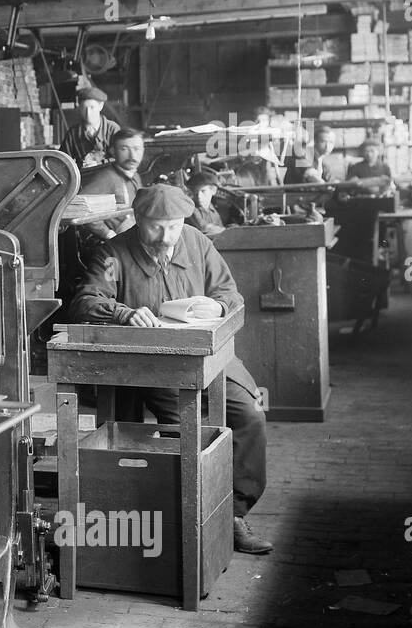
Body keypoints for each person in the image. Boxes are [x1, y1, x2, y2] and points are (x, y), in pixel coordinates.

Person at [67, 183, 273, 555]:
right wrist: (123, 313)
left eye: (175, 227)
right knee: (188, 429)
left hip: (210, 358)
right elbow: (84, 302)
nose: (166, 237)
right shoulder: (113, 253)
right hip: (152, 367)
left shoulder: (196, 241)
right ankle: (186, 520)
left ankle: (232, 514)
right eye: (156, 227)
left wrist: (220, 308)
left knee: (250, 416)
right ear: (138, 219)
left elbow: (229, 292)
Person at [76, 127, 144, 242]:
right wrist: (108, 234)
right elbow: (81, 209)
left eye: (137, 149)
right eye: (124, 149)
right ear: (113, 151)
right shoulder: (106, 177)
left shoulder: (135, 176)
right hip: (120, 243)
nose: (132, 156)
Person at [60, 87, 120, 170]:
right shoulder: (73, 133)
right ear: (80, 108)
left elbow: (120, 159)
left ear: (101, 106)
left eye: (92, 107)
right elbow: (62, 162)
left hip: (109, 177)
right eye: (84, 108)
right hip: (84, 179)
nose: (88, 113)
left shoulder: (113, 129)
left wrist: (99, 163)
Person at [184, 170, 226, 237]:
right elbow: (205, 228)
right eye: (196, 192)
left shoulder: (212, 210)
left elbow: (220, 230)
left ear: (213, 190)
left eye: (203, 191)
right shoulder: (191, 209)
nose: (199, 196)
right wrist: (229, 231)